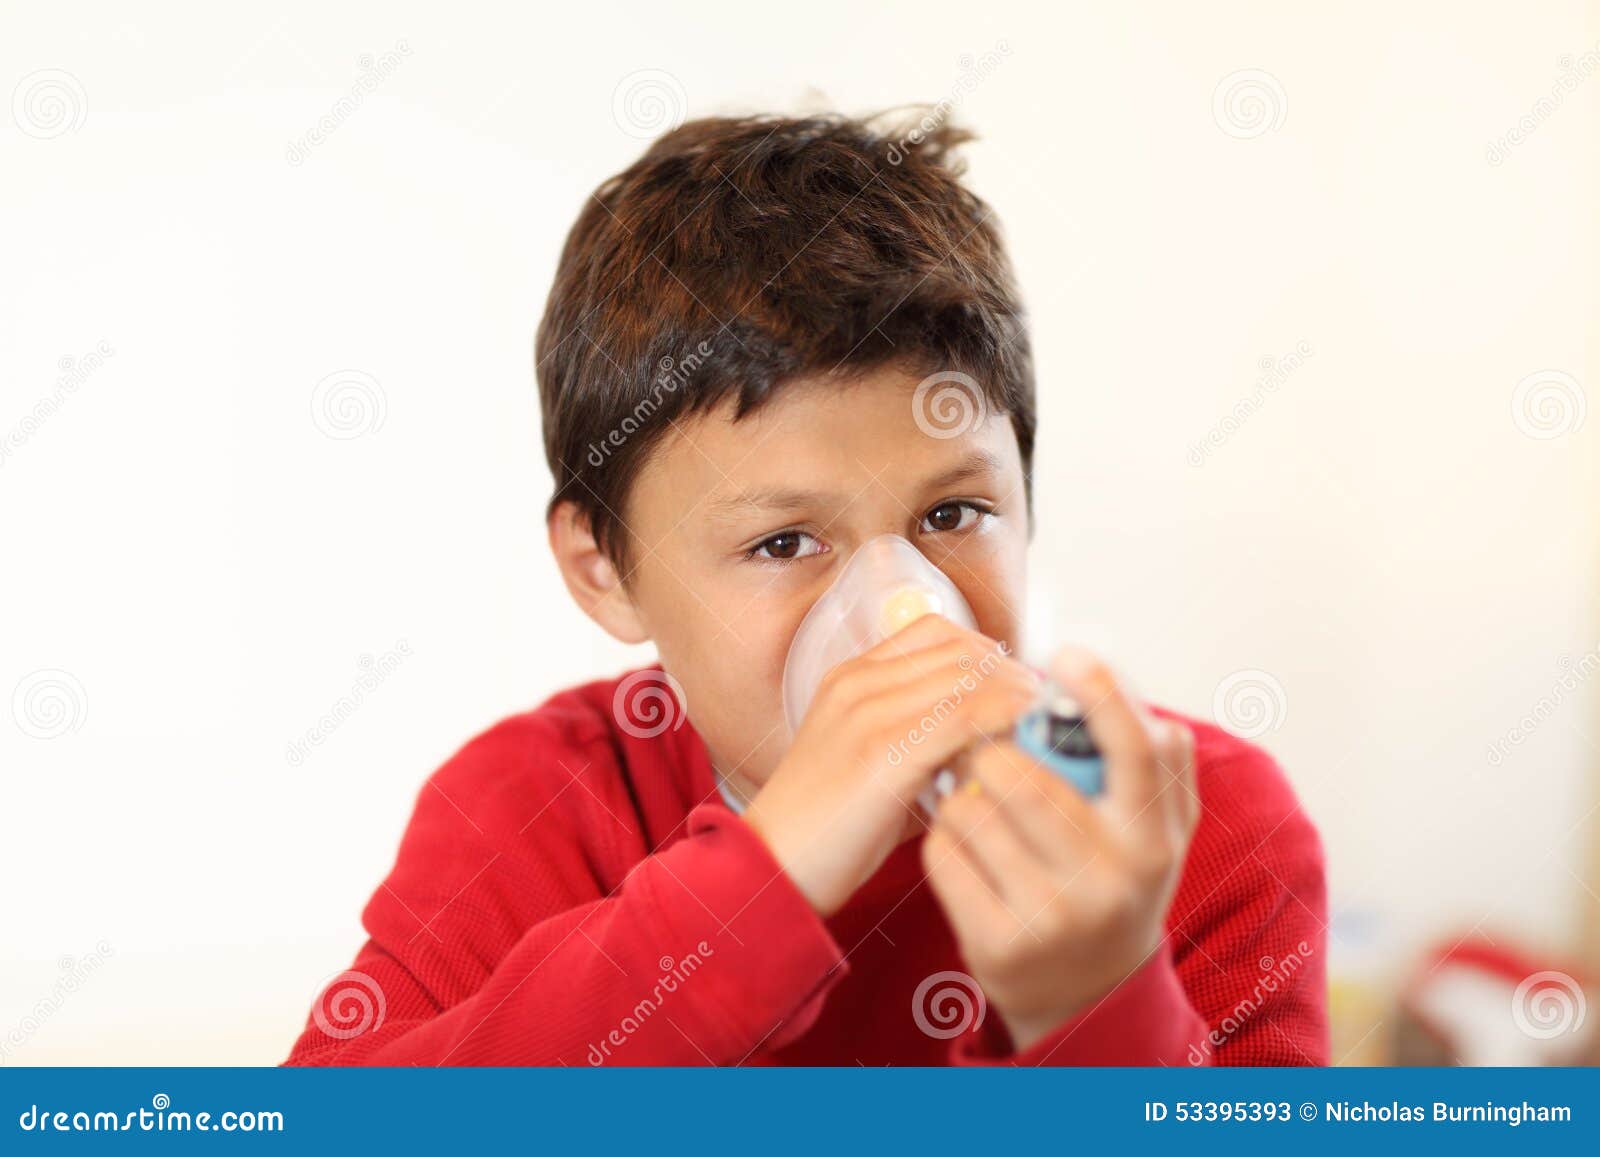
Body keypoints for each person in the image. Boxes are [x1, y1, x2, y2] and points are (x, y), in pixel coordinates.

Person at [284, 112, 1326, 1066]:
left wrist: (1094, 1000)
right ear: (605, 570)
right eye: (785, 540)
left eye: (953, 515)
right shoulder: (537, 807)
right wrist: (758, 883)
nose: (900, 613)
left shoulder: (1201, 818)